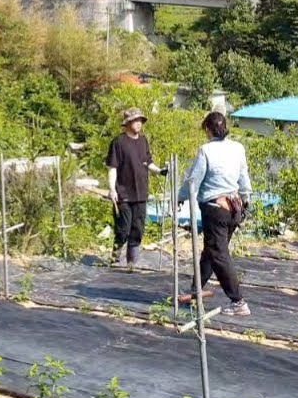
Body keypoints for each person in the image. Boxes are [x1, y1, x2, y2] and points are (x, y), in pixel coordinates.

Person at [177, 110, 252, 316]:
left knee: (218, 254)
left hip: (215, 209)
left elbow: (194, 179)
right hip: (234, 207)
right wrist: (246, 200)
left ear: (208, 129)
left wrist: (180, 197)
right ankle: (195, 290)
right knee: (211, 252)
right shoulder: (238, 148)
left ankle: (238, 301)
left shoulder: (206, 150)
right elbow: (244, 178)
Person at [106, 107, 164, 267]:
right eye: (135, 121)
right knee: (123, 228)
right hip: (123, 192)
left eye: (140, 121)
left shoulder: (143, 140)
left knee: (137, 228)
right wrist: (112, 189)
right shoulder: (118, 142)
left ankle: (132, 262)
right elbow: (112, 167)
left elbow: (148, 162)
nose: (138, 124)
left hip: (141, 192)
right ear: (128, 123)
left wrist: (160, 171)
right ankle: (115, 258)